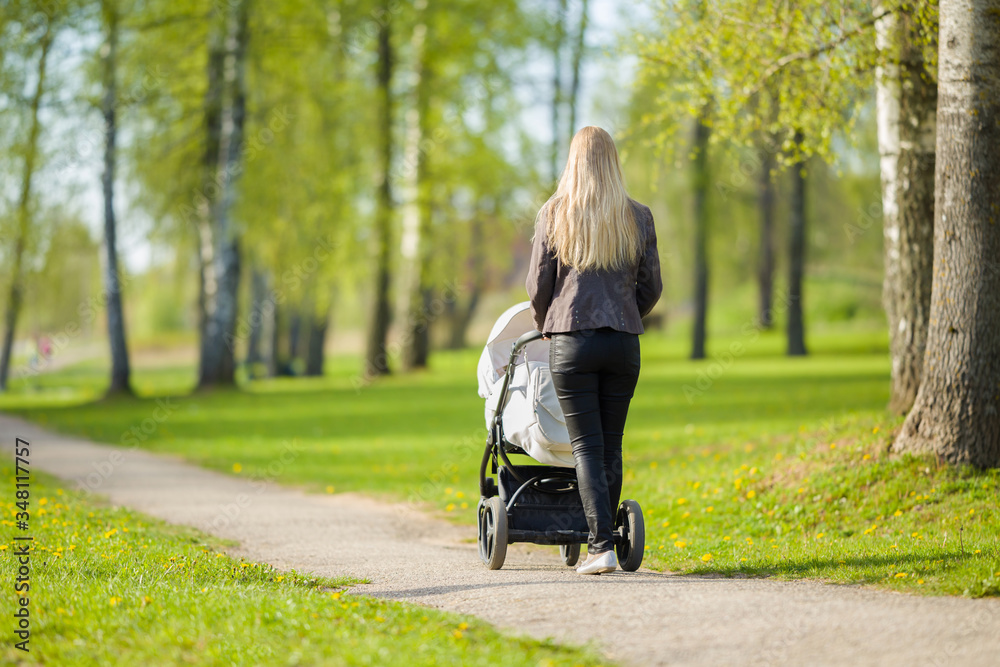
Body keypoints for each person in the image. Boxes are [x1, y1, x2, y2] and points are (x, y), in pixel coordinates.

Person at [526, 126, 662, 575]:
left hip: (572, 340)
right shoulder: (637, 216)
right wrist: (626, 313)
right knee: (611, 445)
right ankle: (606, 541)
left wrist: (546, 323)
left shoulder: (554, 214)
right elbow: (652, 286)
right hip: (622, 342)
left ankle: (600, 545)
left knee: (586, 446)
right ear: (613, 161)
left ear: (573, 161)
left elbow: (537, 285)